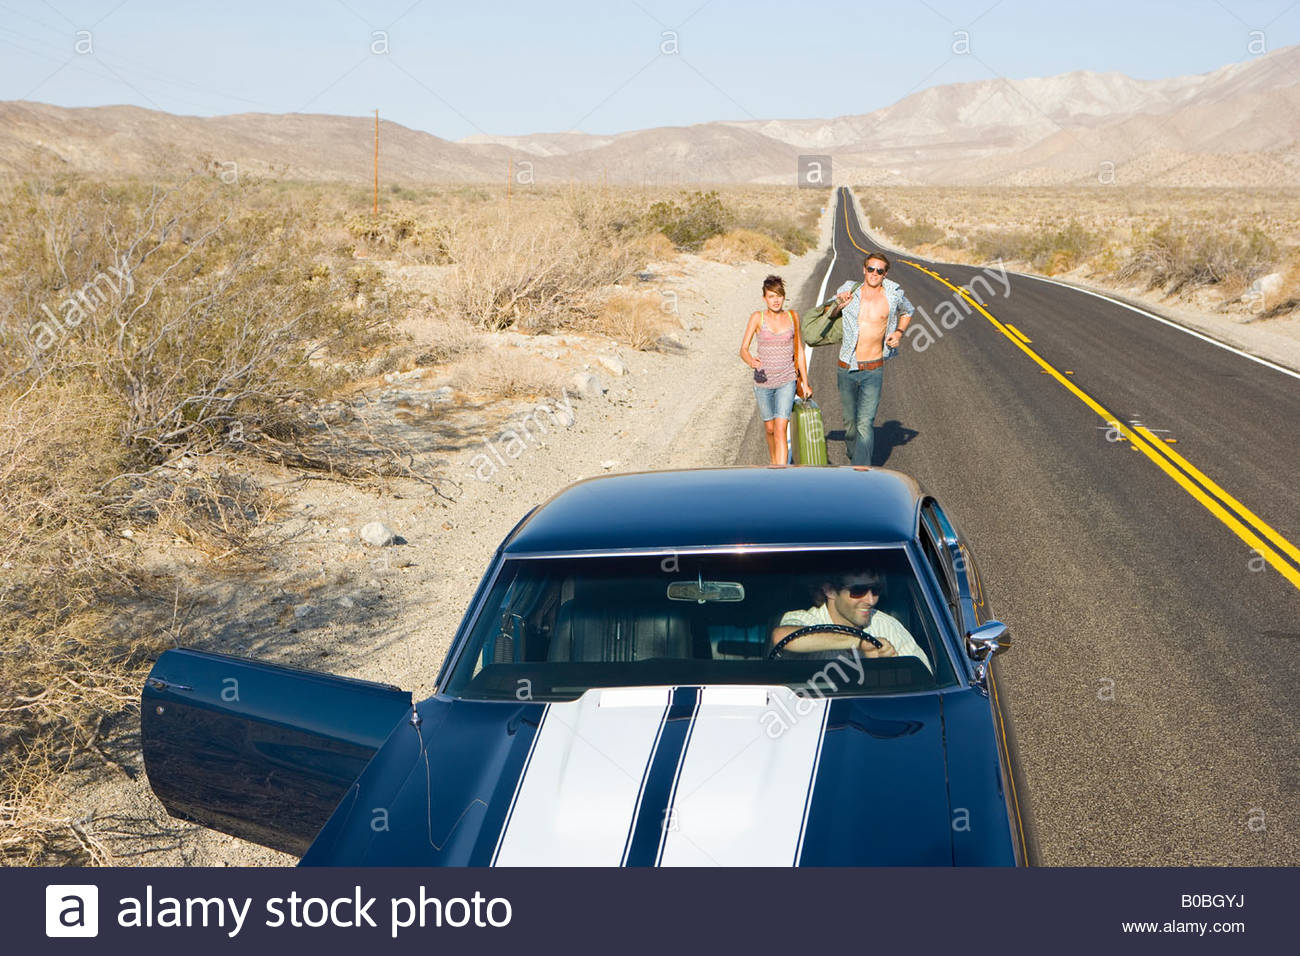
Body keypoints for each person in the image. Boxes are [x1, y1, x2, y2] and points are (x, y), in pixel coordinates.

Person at [827, 253, 914, 466]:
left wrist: (899, 333)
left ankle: (860, 474)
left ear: (885, 274)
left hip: (873, 368)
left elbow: (908, 311)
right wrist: (840, 304)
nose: (874, 273)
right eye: (871, 269)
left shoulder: (893, 295)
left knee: (865, 424)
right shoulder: (848, 290)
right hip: (846, 367)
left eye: (880, 270)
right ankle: (854, 457)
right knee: (850, 426)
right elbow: (829, 314)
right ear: (864, 270)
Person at [770, 569, 932, 672]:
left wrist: (888, 668)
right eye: (858, 590)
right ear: (830, 591)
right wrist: (860, 642)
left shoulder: (886, 626)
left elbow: (925, 679)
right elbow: (783, 638)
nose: (870, 600)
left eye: (875, 590)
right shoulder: (805, 619)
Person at [739, 275, 811, 465]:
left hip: (786, 380)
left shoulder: (792, 317)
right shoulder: (757, 318)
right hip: (763, 383)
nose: (776, 300)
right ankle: (774, 461)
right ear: (765, 298)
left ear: (783, 297)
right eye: (771, 296)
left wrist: (805, 382)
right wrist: (751, 361)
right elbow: (743, 349)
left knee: (780, 428)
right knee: (770, 429)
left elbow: (800, 351)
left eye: (779, 296)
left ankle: (780, 473)